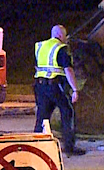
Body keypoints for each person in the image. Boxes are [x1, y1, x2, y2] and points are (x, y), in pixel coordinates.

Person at [33, 24, 85, 156]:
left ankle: (36, 144)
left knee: (42, 115)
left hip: (40, 85)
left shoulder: (40, 46)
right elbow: (68, 69)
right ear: (61, 35)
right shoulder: (61, 48)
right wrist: (75, 89)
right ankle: (69, 146)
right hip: (55, 85)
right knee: (67, 112)